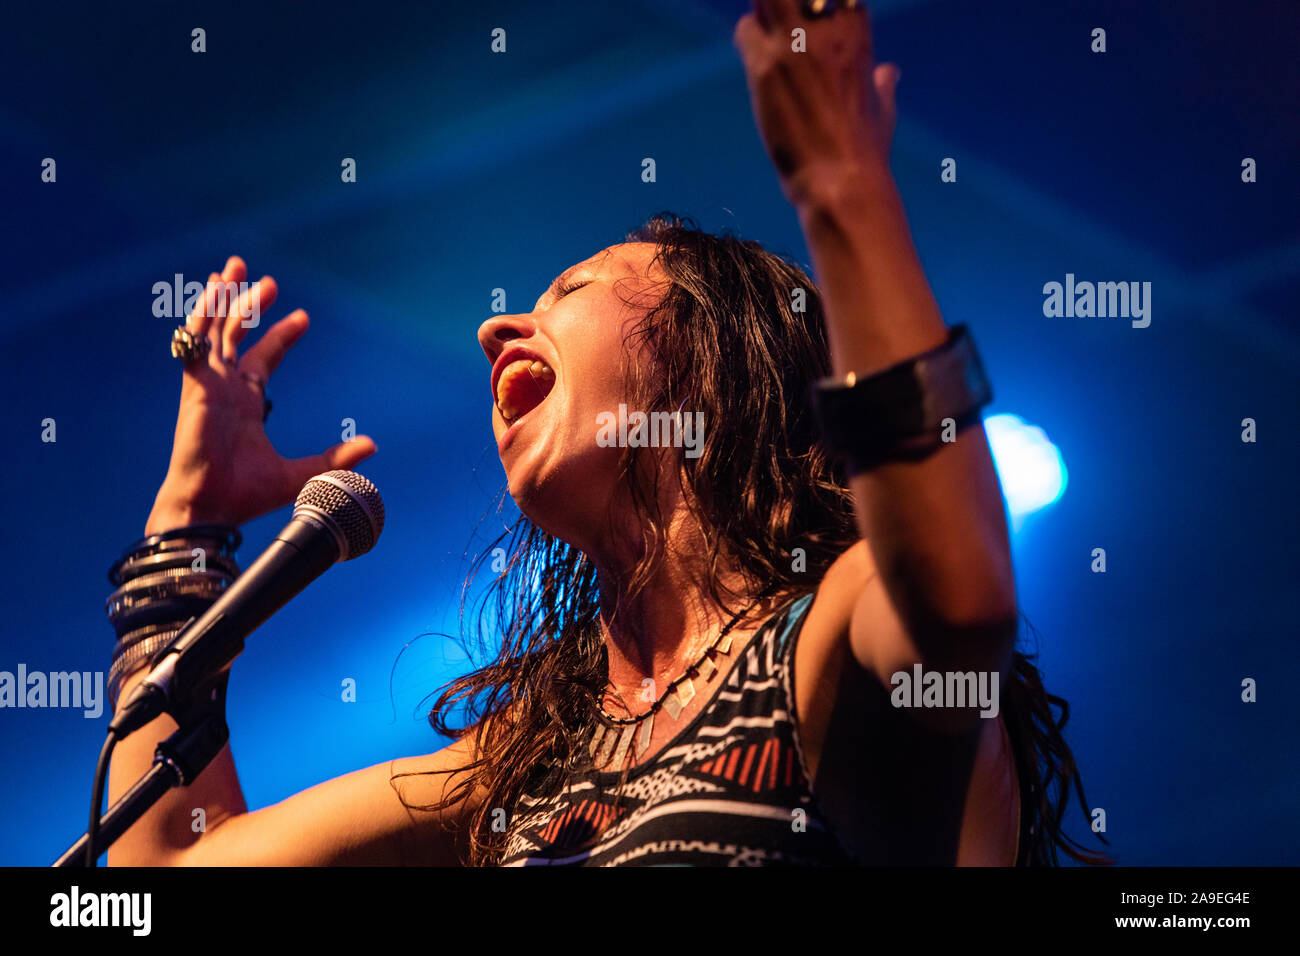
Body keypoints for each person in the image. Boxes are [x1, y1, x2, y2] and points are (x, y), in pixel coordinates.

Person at [105, 0, 1110, 866]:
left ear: (710, 361)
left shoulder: (822, 643)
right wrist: (182, 539)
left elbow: (958, 604)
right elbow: (175, 863)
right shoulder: (528, 762)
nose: (497, 325)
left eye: (570, 289)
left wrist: (843, 184)